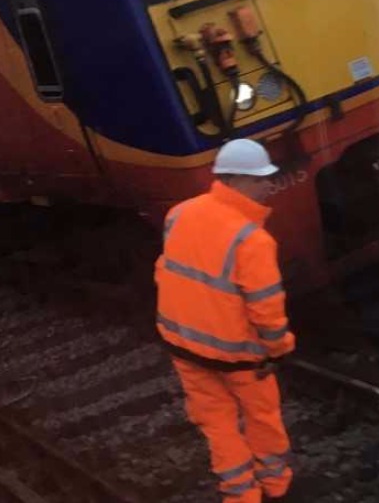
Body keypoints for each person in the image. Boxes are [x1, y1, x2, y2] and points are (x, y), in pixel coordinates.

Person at [156, 139, 297, 502]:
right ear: (235, 181)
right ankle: (275, 484)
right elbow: (266, 309)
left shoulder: (179, 213)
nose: (270, 185)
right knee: (262, 417)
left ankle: (240, 495)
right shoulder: (252, 240)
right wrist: (279, 349)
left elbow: (169, 272)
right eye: (261, 179)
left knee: (216, 423)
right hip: (240, 356)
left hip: (182, 345)